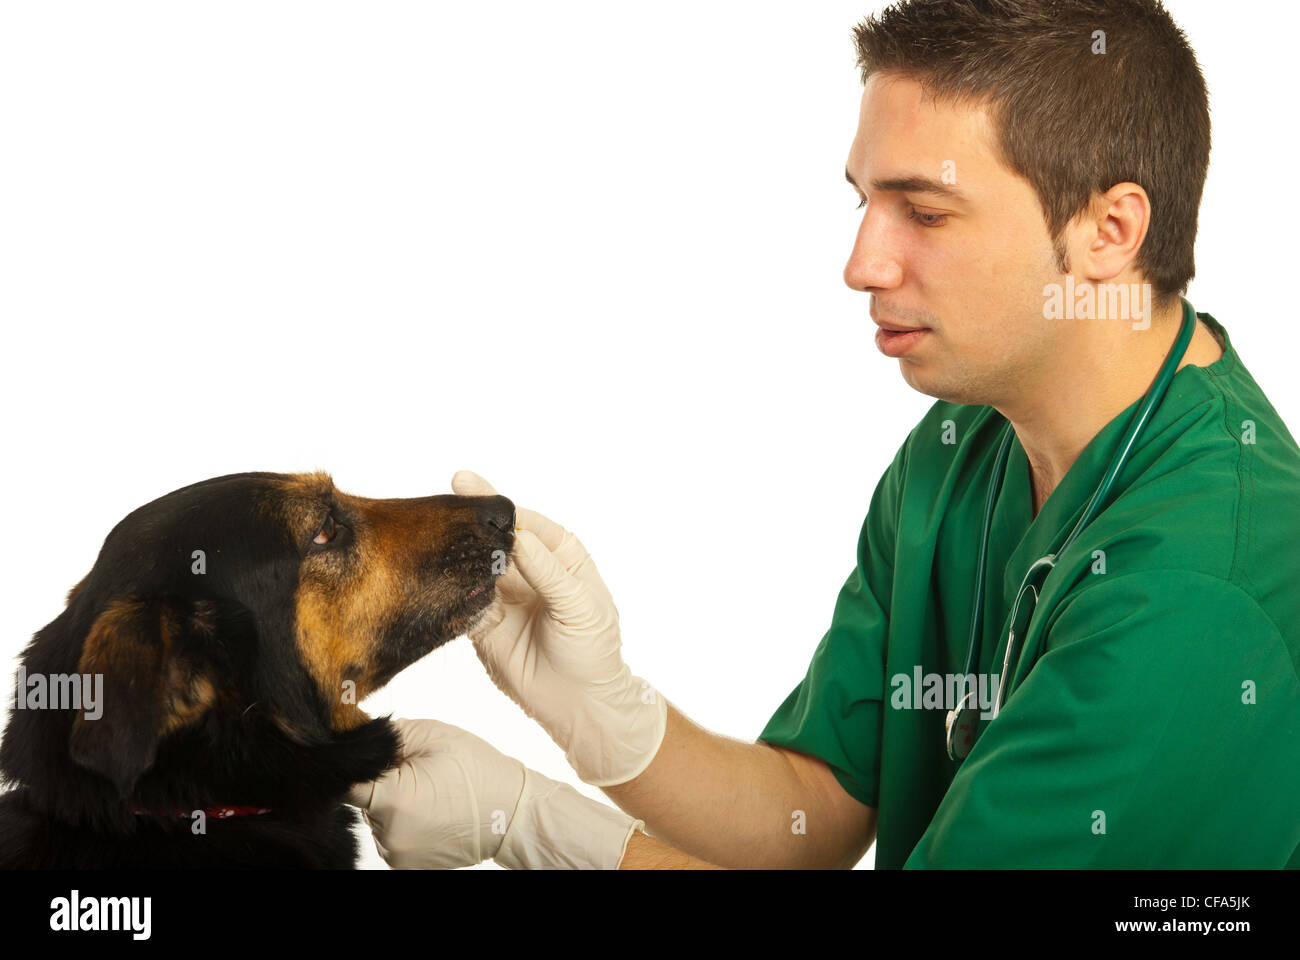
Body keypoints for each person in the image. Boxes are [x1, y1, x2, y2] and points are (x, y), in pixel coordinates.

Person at [347, 0, 1300, 869]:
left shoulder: (1197, 591)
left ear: (1109, 230)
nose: (861, 263)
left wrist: (536, 827)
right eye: (865, 202)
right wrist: (607, 715)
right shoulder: (957, 452)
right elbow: (819, 813)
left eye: (924, 211)